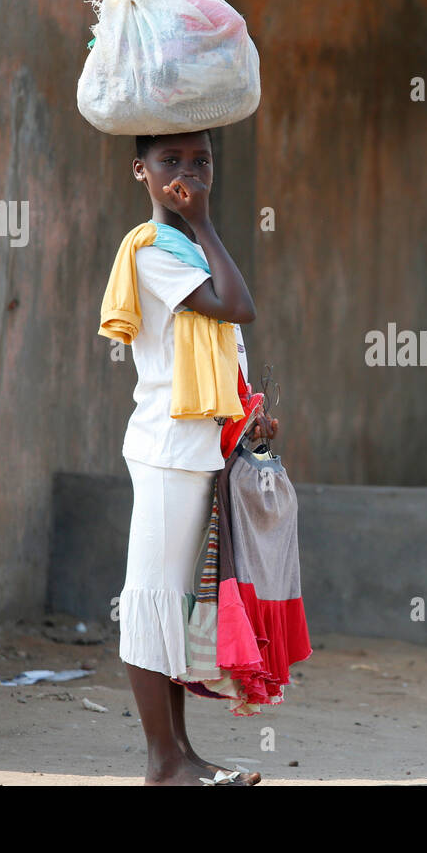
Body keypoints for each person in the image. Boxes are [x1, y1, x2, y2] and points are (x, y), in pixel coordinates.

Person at [115, 128, 278, 786]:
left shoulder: (186, 245)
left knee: (175, 606)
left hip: (199, 448)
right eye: (171, 161)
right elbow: (239, 306)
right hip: (166, 451)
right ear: (140, 171)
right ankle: (162, 763)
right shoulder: (155, 249)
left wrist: (246, 416)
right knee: (151, 601)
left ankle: (183, 756)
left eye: (202, 161)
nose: (190, 172)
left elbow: (221, 338)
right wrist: (203, 220)